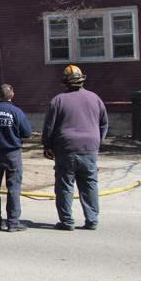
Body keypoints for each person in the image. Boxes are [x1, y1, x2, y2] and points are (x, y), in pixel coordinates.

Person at [42, 65, 108, 231]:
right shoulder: (95, 98)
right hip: (90, 149)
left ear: (65, 82)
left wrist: (47, 145)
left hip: (66, 149)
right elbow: (104, 123)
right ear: (82, 80)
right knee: (89, 184)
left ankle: (67, 222)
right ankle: (92, 220)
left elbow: (49, 126)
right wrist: (97, 141)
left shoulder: (58, 100)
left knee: (65, 186)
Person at [0, 84, 32, 232]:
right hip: (12, 154)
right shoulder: (16, 112)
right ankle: (13, 222)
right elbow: (26, 132)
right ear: (12, 94)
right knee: (13, 187)